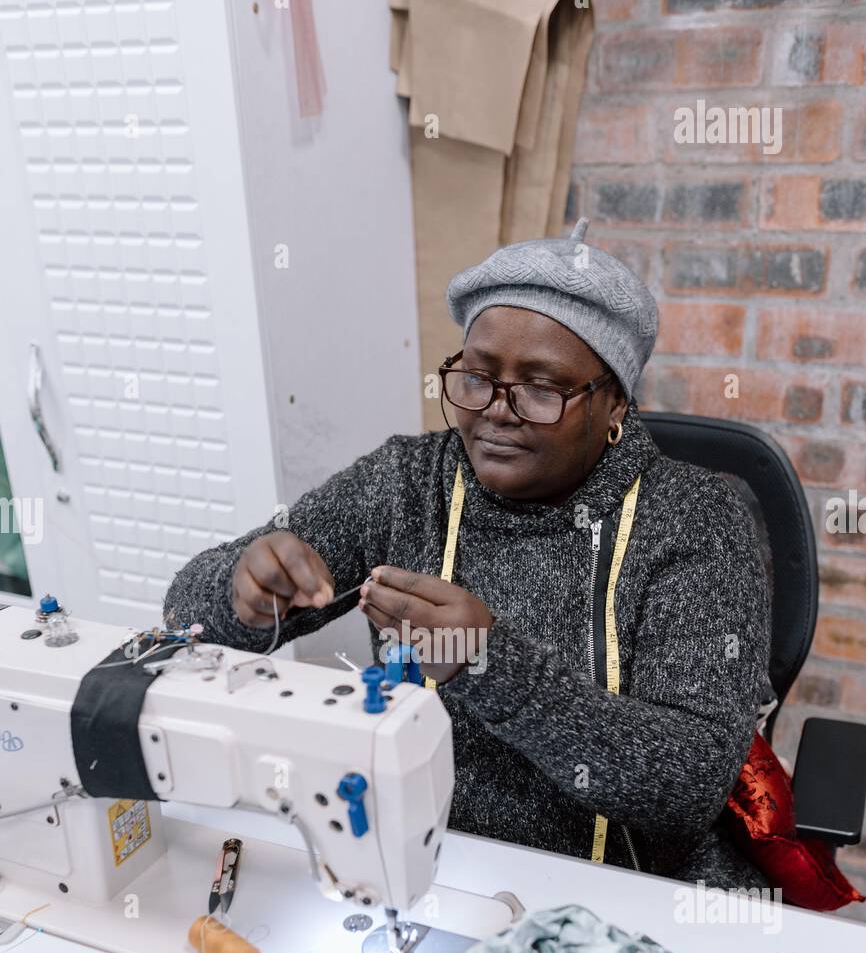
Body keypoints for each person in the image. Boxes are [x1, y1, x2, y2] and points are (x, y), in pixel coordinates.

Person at [164, 219, 771, 890]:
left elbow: (686, 786)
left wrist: (492, 663)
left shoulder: (694, 521)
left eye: (542, 387)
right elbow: (184, 616)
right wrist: (241, 592)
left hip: (625, 885)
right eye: (477, 377)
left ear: (616, 403)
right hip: (427, 862)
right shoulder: (407, 484)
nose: (496, 411)